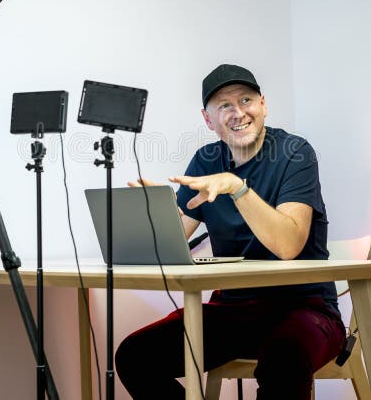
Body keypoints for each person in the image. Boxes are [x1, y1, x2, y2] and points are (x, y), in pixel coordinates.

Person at [115, 64, 346, 399]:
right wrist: (156, 214)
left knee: (283, 360)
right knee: (135, 357)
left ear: (263, 104)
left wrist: (237, 188)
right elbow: (174, 239)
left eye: (246, 100)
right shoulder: (206, 160)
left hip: (304, 308)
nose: (238, 112)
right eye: (225, 105)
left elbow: (288, 246)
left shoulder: (295, 153)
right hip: (234, 311)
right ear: (208, 120)